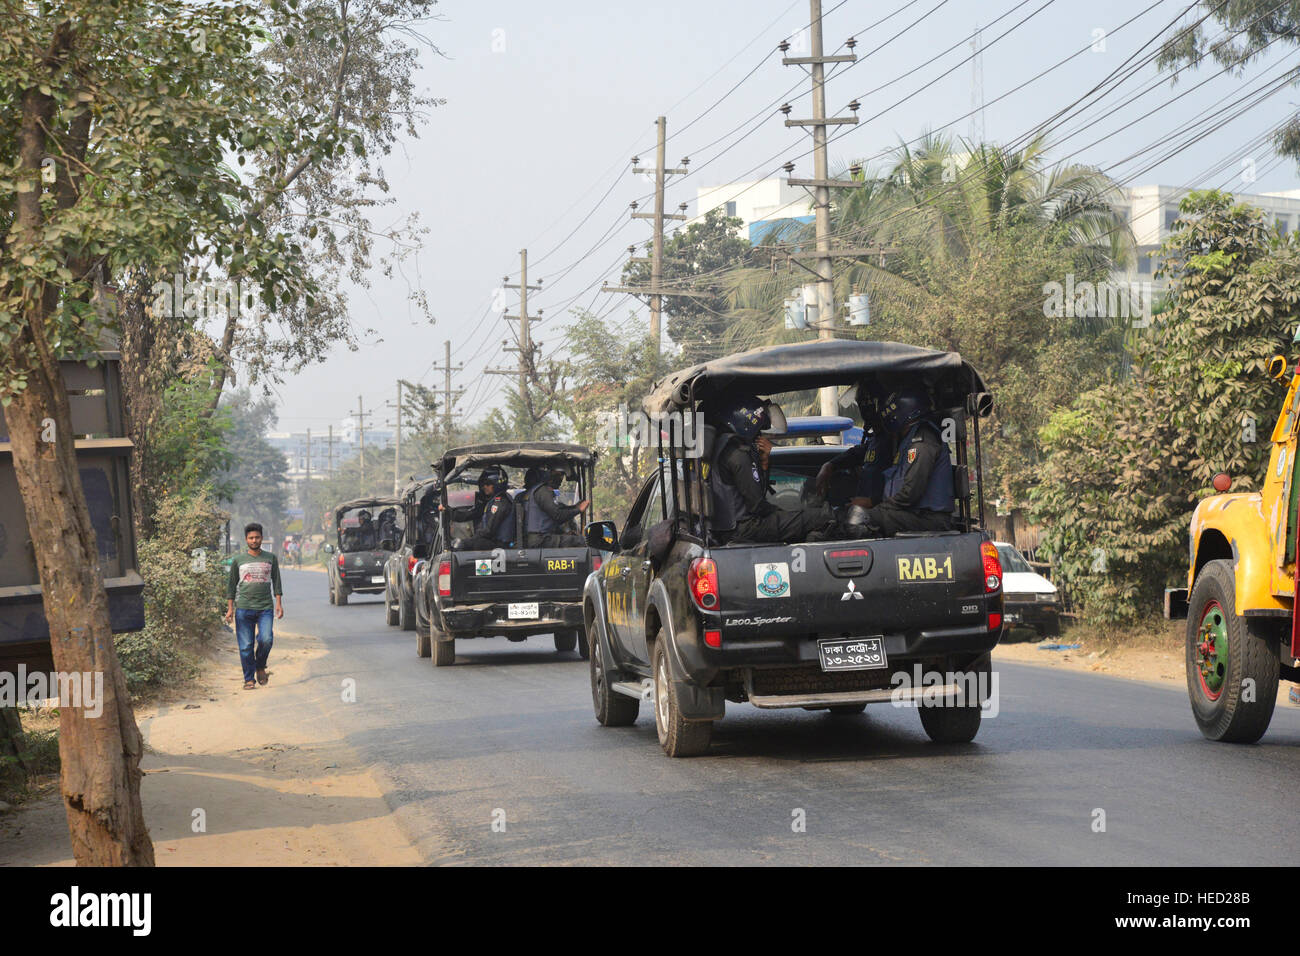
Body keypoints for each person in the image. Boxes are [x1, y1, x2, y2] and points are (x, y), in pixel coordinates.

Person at [707, 392, 835, 544]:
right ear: (748, 423)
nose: (759, 434)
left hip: (731, 529)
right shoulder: (738, 453)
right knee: (823, 516)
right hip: (745, 528)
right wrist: (784, 513)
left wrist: (764, 461)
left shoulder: (721, 447)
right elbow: (757, 505)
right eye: (759, 429)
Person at [841, 388, 955, 538]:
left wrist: (877, 506)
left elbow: (911, 492)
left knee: (861, 516)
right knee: (853, 514)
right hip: (911, 515)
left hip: (929, 519)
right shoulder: (905, 440)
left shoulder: (923, 440)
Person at [815, 380, 895, 509]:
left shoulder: (894, 441)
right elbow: (856, 454)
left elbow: (906, 489)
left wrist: (874, 501)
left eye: (864, 406)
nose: (863, 411)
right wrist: (829, 465)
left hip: (881, 512)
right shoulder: (877, 440)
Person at [224, 522, 284, 690]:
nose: (254, 540)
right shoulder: (238, 561)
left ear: (262, 538)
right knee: (246, 646)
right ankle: (248, 679)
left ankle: (260, 665)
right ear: (246, 540)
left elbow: (277, 582)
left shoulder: (270, 558)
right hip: (243, 608)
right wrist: (230, 608)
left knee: (266, 640)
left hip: (265, 607)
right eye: (251, 538)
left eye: (257, 537)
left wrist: (278, 604)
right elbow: (231, 586)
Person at [448, 466, 515, 549]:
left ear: (497, 484)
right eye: (483, 484)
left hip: (500, 545)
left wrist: (471, 540)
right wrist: (449, 512)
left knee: (466, 544)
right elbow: (470, 514)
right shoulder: (492, 502)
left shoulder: (500, 503)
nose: (484, 487)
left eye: (487, 484)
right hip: (495, 542)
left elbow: (488, 530)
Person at [525, 466, 589, 547]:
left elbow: (557, 511)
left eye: (562, 475)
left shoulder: (535, 491)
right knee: (582, 541)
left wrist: (575, 507)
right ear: (548, 473)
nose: (561, 479)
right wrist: (578, 509)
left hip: (540, 538)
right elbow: (558, 515)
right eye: (558, 474)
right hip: (541, 540)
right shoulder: (542, 492)